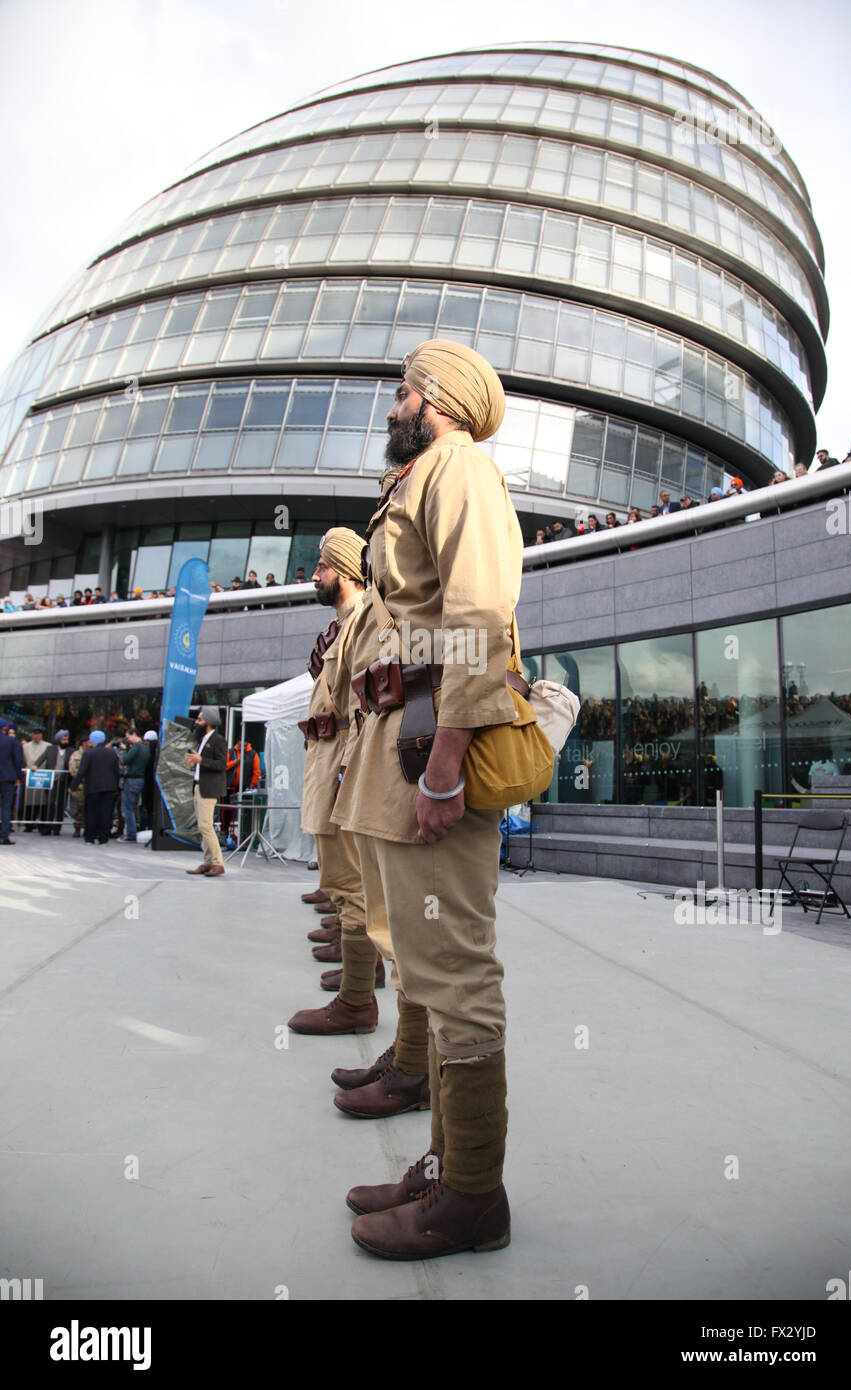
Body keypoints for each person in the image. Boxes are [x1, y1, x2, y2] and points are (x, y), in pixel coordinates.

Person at [333, 338, 522, 1260]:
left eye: (404, 388)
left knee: (455, 977)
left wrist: (446, 761)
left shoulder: (458, 469)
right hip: (401, 748)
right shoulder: (423, 476)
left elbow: (479, 618)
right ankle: (449, 1169)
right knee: (429, 970)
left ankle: (474, 1198)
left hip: (429, 754)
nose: (392, 401)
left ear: (437, 399)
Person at [287, 528, 401, 1048]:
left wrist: (348, 774)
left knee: (355, 892)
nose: (315, 575)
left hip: (341, 771)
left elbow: (363, 710)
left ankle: (357, 1001)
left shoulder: (365, 621)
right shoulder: (343, 627)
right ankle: (358, 987)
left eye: (322, 566)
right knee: (342, 885)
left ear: (346, 571)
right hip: (327, 769)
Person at [184, 707, 227, 877]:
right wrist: (195, 763)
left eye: (200, 720)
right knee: (203, 826)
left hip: (208, 788)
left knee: (205, 825)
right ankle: (208, 861)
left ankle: (217, 862)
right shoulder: (202, 740)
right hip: (199, 785)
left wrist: (201, 760)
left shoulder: (218, 740)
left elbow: (221, 764)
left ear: (208, 723)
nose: (196, 722)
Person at [70, 731, 120, 844]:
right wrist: (116, 786)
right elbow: (116, 771)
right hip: (109, 788)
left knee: (91, 812)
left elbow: (81, 772)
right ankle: (103, 836)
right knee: (106, 813)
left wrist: (73, 786)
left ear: (93, 741)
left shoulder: (88, 753)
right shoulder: (112, 753)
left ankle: (90, 836)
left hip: (93, 787)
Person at [120, 729, 149, 842]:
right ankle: (134, 829)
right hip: (140, 779)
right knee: (135, 806)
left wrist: (125, 750)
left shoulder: (136, 747)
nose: (127, 740)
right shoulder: (146, 747)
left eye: (128, 737)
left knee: (128, 807)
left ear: (134, 734)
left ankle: (131, 833)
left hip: (132, 779)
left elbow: (125, 760)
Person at [42, 730, 71, 834]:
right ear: (58, 740)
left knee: (61, 805)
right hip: (52, 780)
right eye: (63, 739)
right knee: (50, 803)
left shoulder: (71, 751)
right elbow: (41, 758)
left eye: (67, 739)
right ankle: (47, 826)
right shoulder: (50, 749)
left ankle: (57, 828)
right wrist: (35, 766)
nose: (65, 741)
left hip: (63, 781)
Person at [0, 723, 23, 844]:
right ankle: (4, 836)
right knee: (6, 807)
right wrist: (18, 777)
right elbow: (18, 760)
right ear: (4, 728)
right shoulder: (12, 742)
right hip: (7, 777)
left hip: (6, 776)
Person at [67, 737, 90, 838]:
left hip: (91, 784)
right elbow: (72, 769)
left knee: (89, 808)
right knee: (79, 808)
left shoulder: (92, 753)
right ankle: (77, 828)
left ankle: (88, 828)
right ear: (84, 743)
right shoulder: (76, 755)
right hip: (80, 785)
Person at [140, 730, 159, 831]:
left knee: (146, 807)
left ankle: (146, 826)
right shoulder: (156, 752)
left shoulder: (148, 753)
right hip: (152, 784)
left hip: (148, 784)